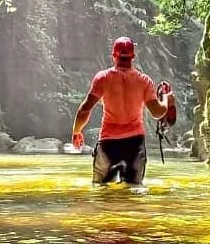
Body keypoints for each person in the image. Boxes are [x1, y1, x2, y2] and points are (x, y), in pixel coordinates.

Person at [71, 37, 177, 186]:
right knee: (134, 190)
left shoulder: (102, 78)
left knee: (101, 190)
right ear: (133, 57)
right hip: (134, 144)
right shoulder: (144, 81)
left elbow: (85, 109)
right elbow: (158, 113)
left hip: (108, 143)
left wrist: (76, 132)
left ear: (114, 56)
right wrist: (167, 99)